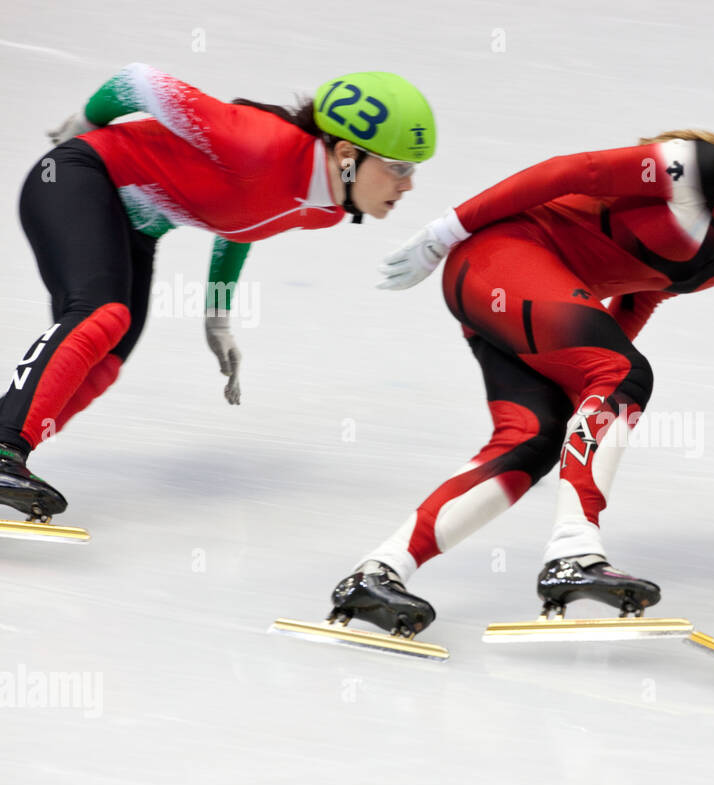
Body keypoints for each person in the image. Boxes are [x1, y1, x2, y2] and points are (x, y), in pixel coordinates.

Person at [325, 84, 714, 636]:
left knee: (535, 437)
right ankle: (574, 552)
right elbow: (566, 173)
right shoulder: (705, 167)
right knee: (624, 373)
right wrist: (444, 233)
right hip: (500, 259)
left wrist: (592, 384)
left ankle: (378, 572)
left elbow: (650, 290)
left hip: (531, 299)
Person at [0, 64, 436, 521]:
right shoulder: (256, 141)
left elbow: (243, 224)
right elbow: (136, 83)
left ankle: (11, 450)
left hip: (132, 225)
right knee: (101, 315)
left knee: (107, 361)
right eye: (398, 167)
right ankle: (5, 450)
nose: (408, 184)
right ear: (347, 154)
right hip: (74, 175)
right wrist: (86, 126)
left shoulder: (324, 208)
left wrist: (217, 318)